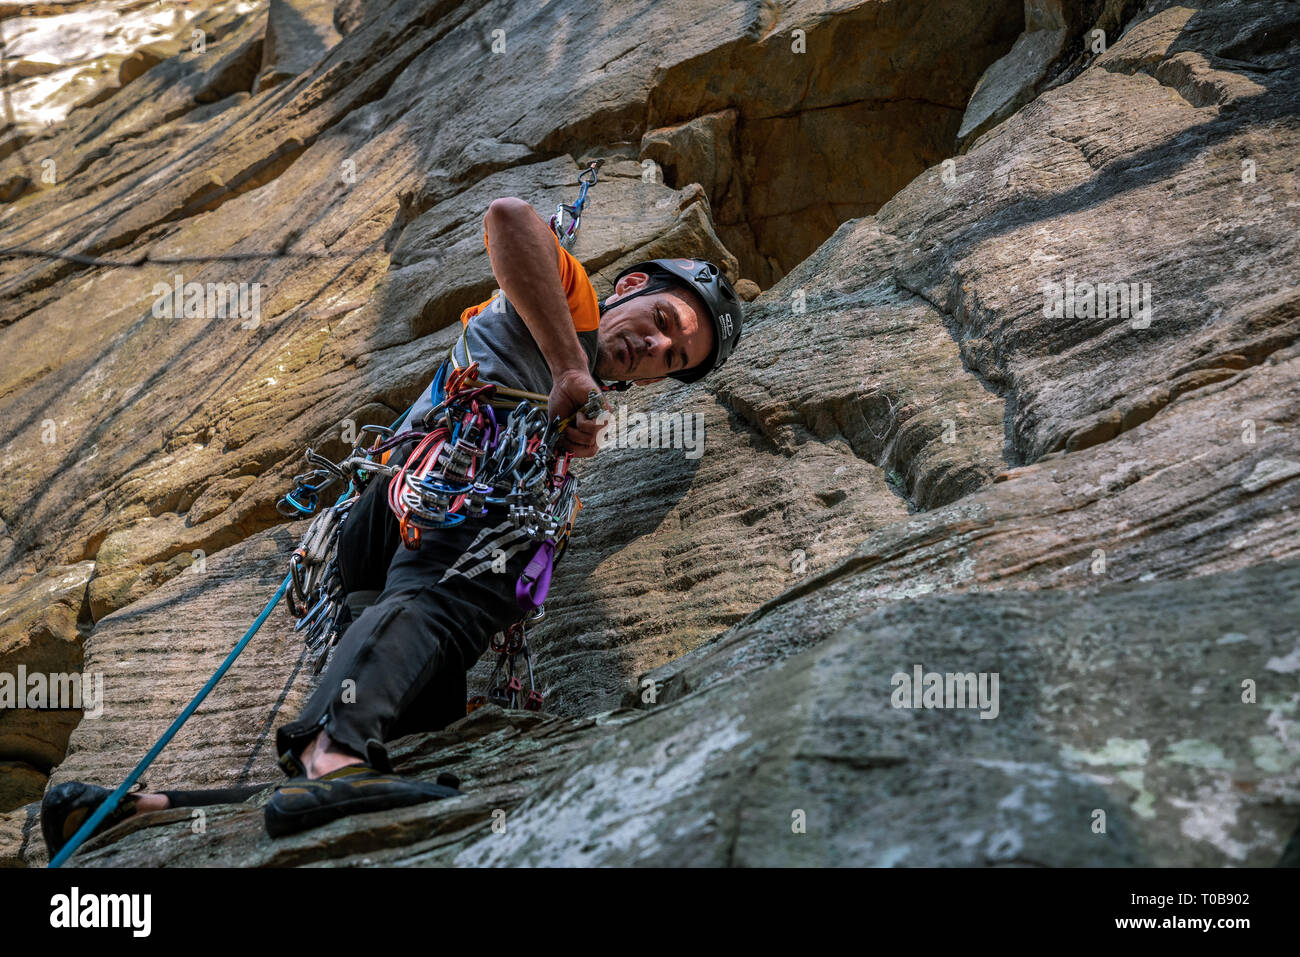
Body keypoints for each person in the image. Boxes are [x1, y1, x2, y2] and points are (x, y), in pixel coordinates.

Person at [41, 195, 745, 853]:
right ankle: (331, 753)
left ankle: (137, 811)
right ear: (629, 285)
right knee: (457, 590)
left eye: (674, 358)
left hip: (386, 539)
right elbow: (508, 220)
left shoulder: (574, 407)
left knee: (424, 730)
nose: (656, 347)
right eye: (662, 321)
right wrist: (567, 364)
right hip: (440, 501)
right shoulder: (578, 309)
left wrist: (564, 421)